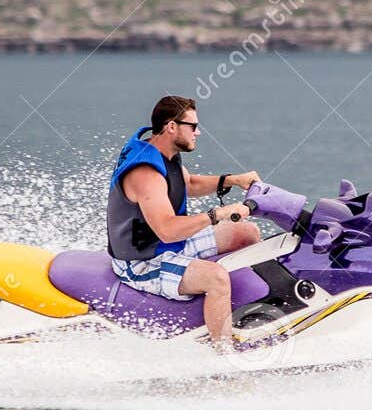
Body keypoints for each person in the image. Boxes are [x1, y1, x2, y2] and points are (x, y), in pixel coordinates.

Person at [107, 96, 261, 346]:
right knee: (217, 278)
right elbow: (168, 230)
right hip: (143, 261)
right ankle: (224, 355)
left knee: (247, 233)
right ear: (171, 127)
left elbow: (187, 184)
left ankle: (254, 308)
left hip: (165, 244)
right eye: (193, 126)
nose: (198, 132)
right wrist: (216, 215)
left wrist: (233, 180)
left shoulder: (164, 151)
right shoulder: (145, 174)